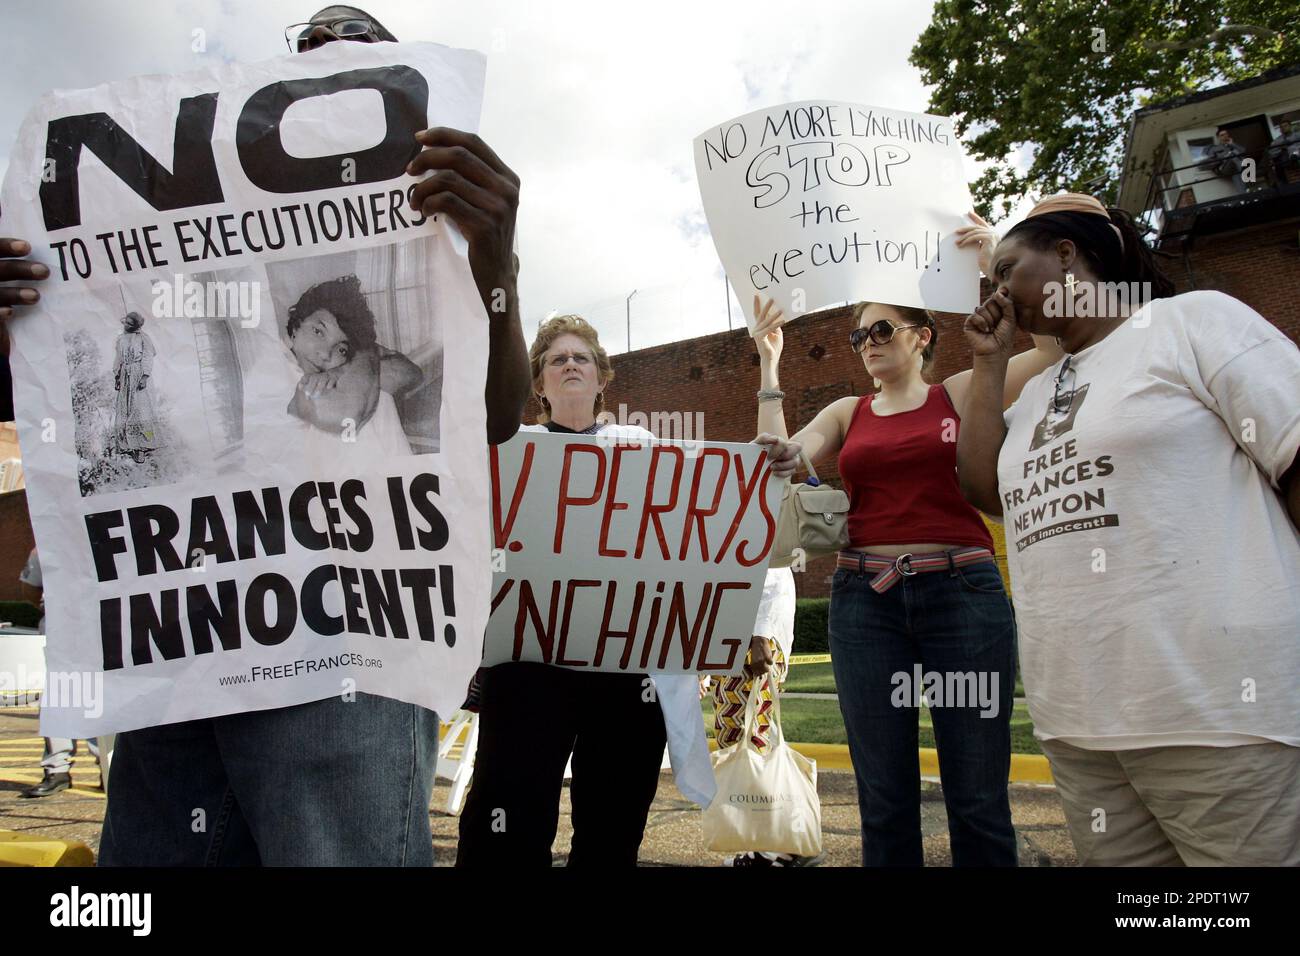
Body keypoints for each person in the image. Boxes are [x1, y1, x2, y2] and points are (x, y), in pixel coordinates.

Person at [0, 5, 529, 865]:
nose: (333, 48)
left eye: (360, 37)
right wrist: (27, 321)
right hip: (184, 650)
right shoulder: (262, 354)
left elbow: (498, 417)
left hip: (350, 649)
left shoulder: (451, 223)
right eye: (312, 40)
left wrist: (498, 263)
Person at [957, 192, 1300, 866]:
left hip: (1218, 716)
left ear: (1066, 252)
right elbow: (981, 488)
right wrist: (988, 364)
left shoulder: (1193, 323)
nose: (996, 292)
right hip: (1079, 728)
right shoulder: (1031, 397)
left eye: (1006, 270)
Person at [747, 212, 1063, 866]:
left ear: (922, 336)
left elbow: (1056, 350)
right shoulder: (847, 413)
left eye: (882, 328)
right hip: (866, 606)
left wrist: (994, 266)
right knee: (884, 800)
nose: (867, 341)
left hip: (965, 599)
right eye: (859, 333)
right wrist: (769, 360)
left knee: (977, 798)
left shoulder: (960, 391)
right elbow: (786, 454)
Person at [456, 314, 715, 867]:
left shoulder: (647, 451)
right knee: (507, 824)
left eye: (583, 358)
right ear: (538, 385)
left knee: (612, 829)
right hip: (530, 664)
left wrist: (769, 465)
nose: (570, 365)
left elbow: (690, 542)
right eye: (557, 359)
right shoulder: (506, 453)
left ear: (602, 380)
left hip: (625, 671)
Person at [710, 566, 819, 867]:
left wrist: (761, 634)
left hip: (752, 641)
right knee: (745, 742)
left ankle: (777, 848)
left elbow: (772, 567)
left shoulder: (751, 517)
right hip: (736, 640)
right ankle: (765, 845)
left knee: (751, 743)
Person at [283, 274, 421, 455]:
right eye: (318, 332)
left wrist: (354, 359)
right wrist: (367, 352)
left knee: (378, 395)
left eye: (340, 349)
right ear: (295, 328)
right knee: (375, 393)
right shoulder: (278, 367)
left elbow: (412, 373)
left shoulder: (341, 374)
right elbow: (347, 415)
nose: (325, 353)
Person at [110, 312, 160, 461]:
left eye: (130, 324)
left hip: (138, 374)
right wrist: (117, 376)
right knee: (126, 409)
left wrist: (144, 376)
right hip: (125, 376)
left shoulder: (143, 338)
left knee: (141, 410)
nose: (126, 326)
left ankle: (146, 444)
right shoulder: (120, 339)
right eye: (126, 323)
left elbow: (148, 357)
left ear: (136, 326)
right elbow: (118, 358)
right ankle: (129, 446)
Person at [1201, 128, 1248, 193]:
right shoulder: (1215, 148)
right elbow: (1210, 160)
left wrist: (1232, 144)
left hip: (1235, 167)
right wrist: (1223, 157)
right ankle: (1243, 171)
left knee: (1236, 174)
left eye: (1226, 134)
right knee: (1233, 156)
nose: (1225, 136)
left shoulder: (1232, 144)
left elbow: (1243, 151)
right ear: (1218, 137)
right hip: (1224, 167)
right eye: (1222, 135)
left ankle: (1244, 193)